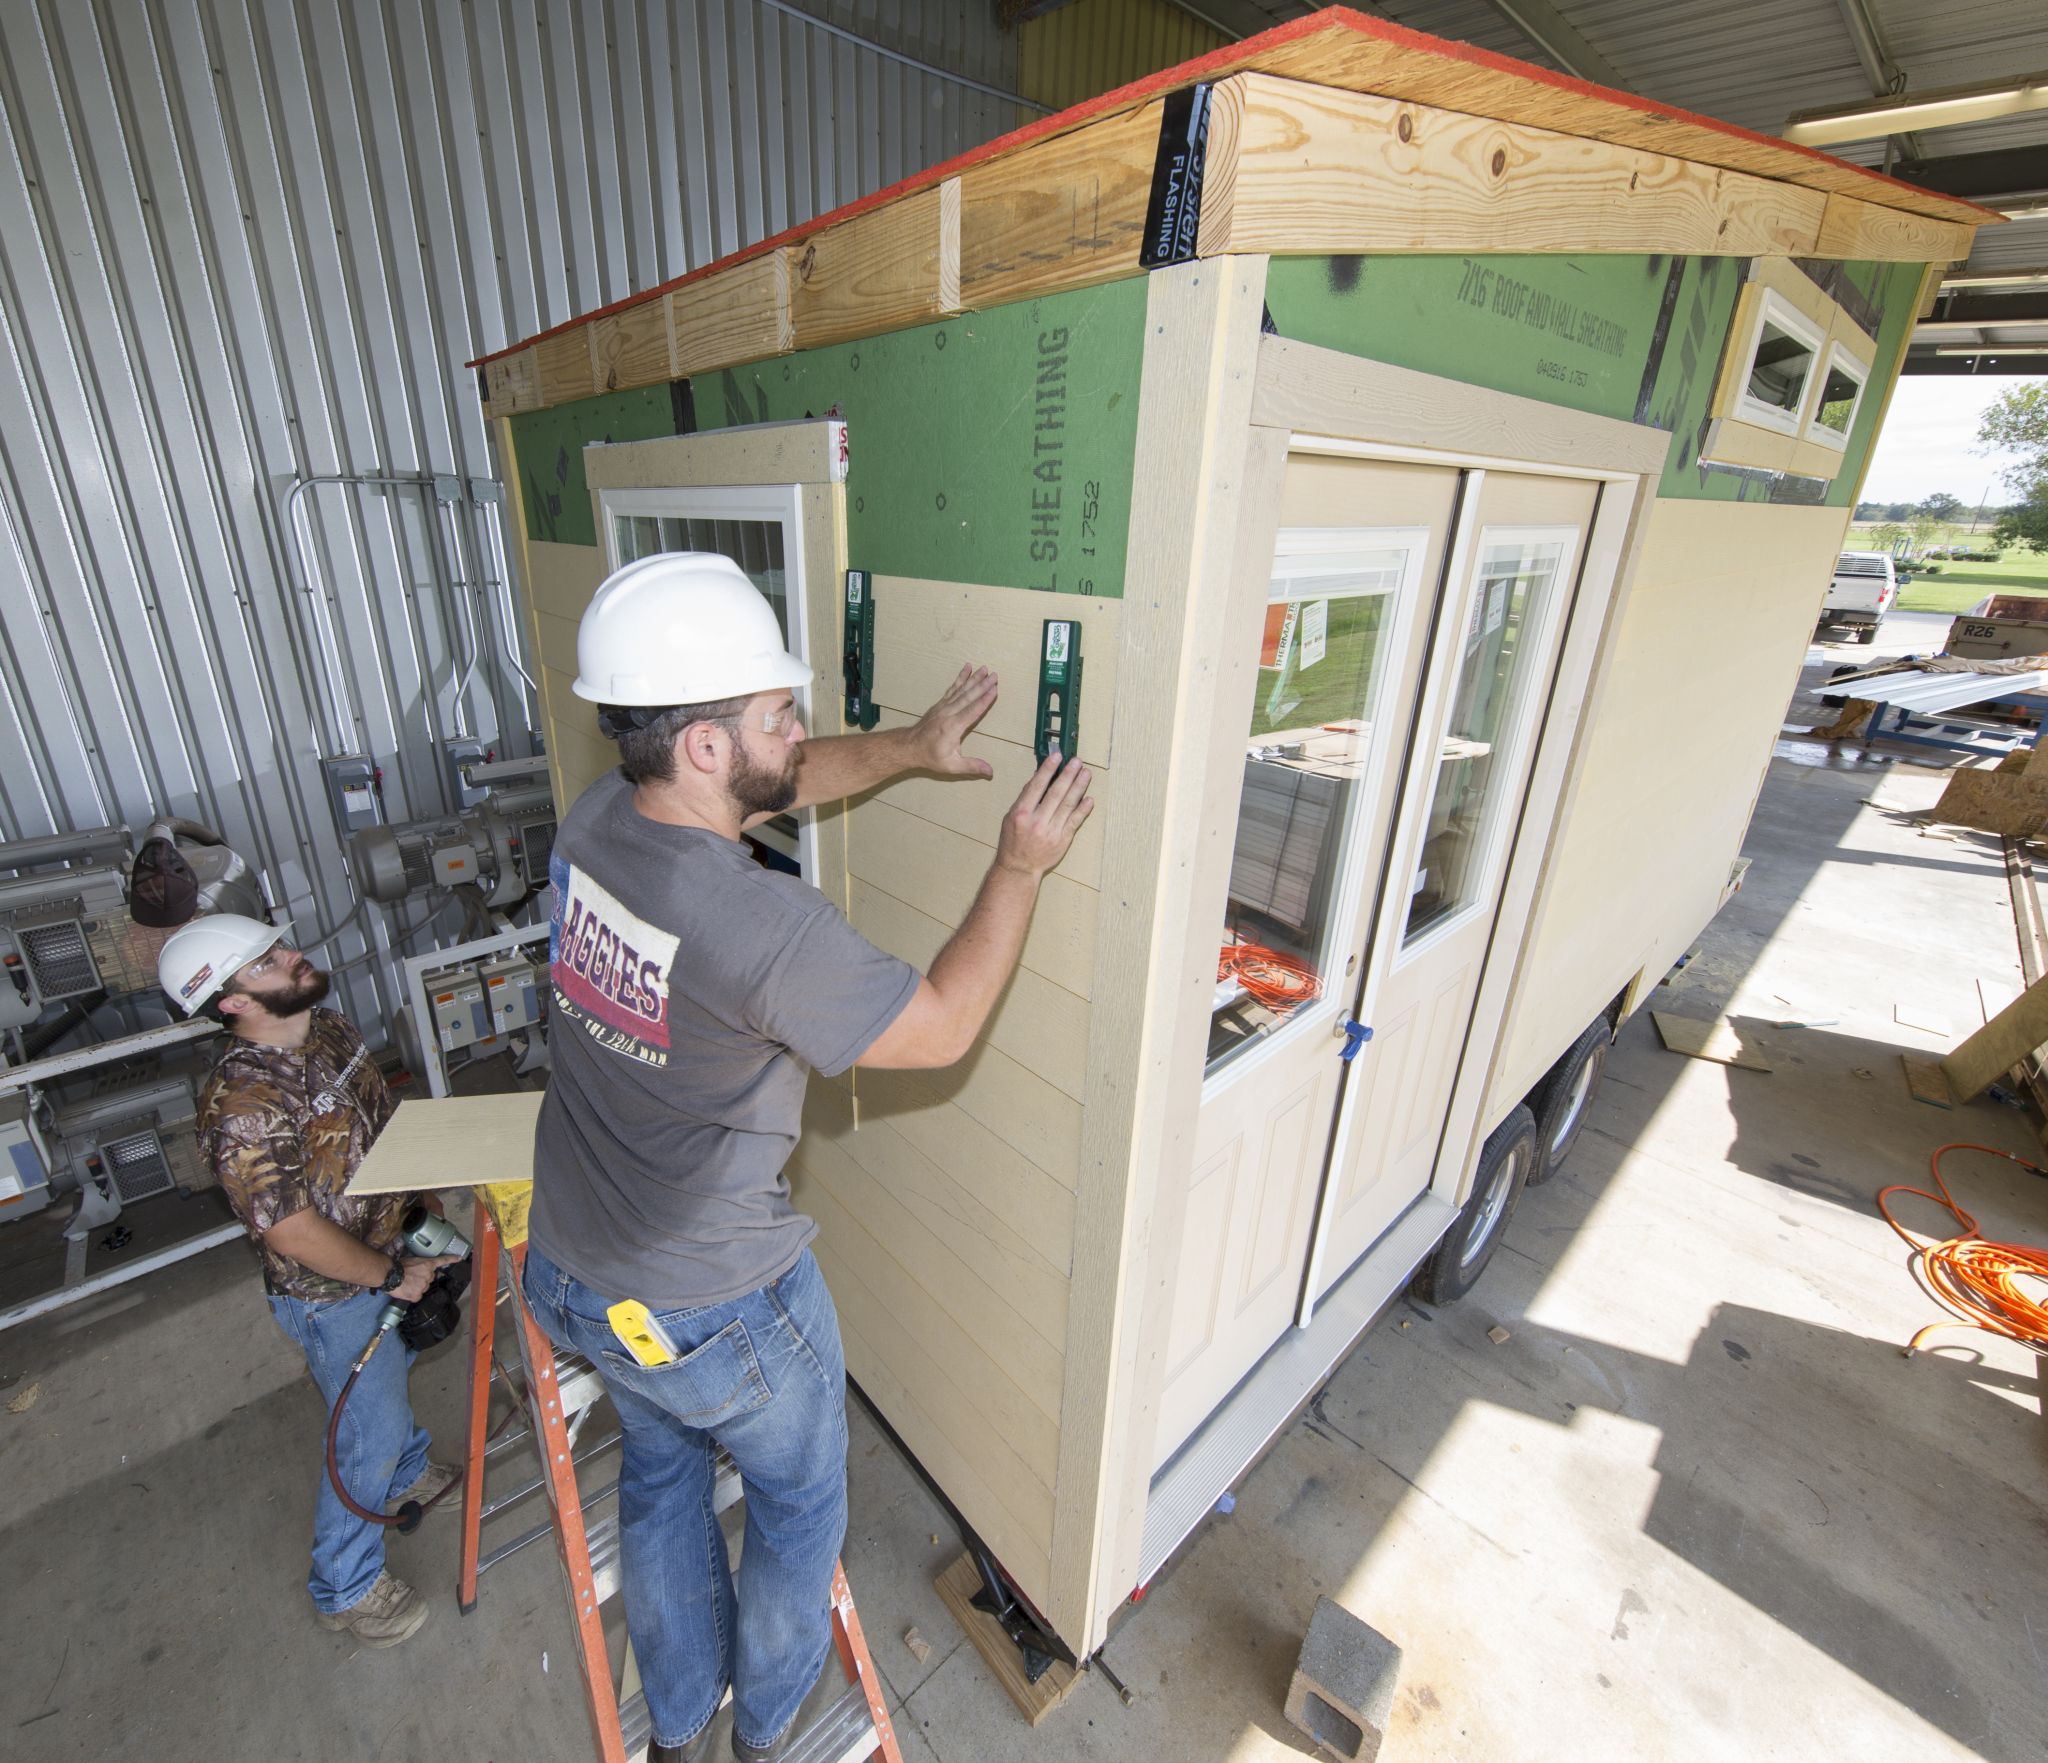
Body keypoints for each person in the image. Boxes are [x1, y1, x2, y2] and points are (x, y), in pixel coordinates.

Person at [523, 552, 1093, 1763]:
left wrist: (908, 744)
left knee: (665, 1471)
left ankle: (678, 1729)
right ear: (705, 746)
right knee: (795, 1507)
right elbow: (937, 1026)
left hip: (578, 1268)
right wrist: (1016, 865)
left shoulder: (600, 813)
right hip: (712, 1300)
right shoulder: (759, 926)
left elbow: (773, 783)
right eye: (778, 709)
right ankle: (767, 1733)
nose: (800, 722)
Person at [160, 915, 463, 1648]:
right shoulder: (240, 1109)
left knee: (394, 1377)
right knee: (366, 1429)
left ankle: (404, 1473)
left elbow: (378, 1115)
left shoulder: (322, 1024)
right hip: (332, 1298)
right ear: (232, 1001)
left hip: (392, 1248)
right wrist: (392, 1274)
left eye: (280, 945)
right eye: (268, 960)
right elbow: (292, 1230)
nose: (293, 955)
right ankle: (346, 1585)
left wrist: (421, 1208)